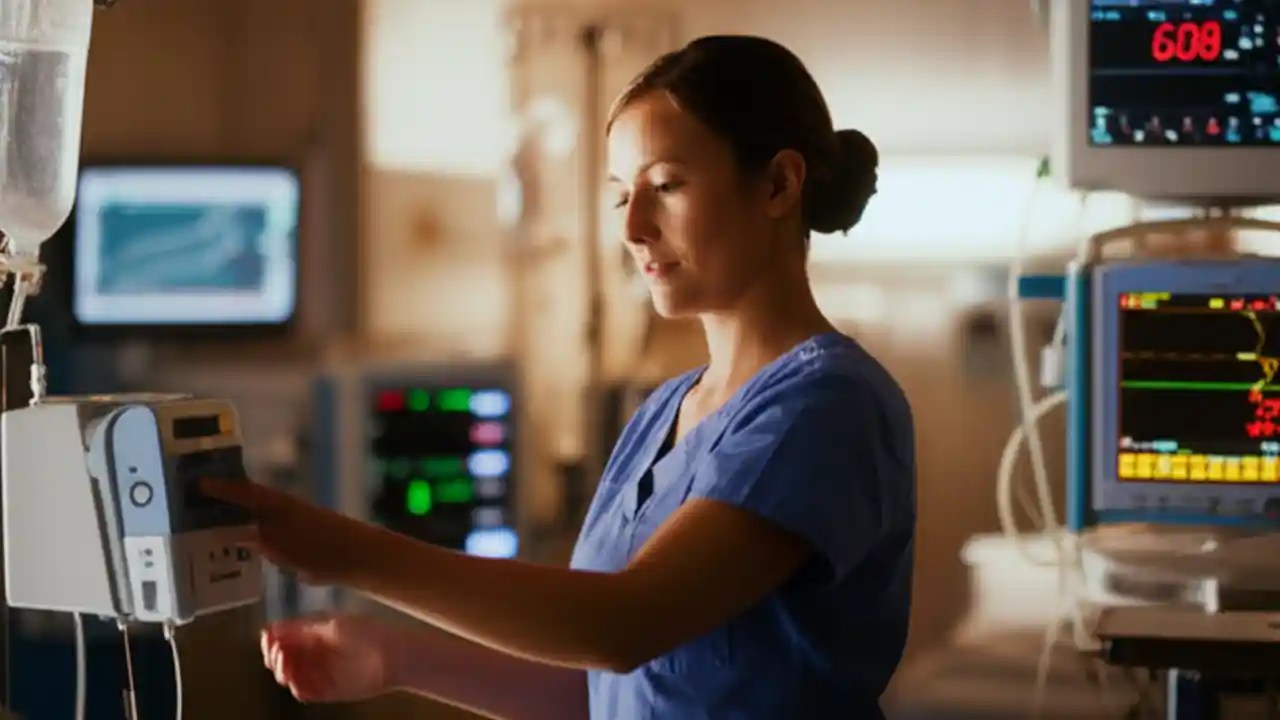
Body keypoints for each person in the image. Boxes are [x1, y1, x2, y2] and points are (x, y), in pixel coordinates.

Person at [203, 34, 916, 720]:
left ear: (778, 184)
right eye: (619, 194)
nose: (633, 226)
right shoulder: (662, 414)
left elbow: (621, 625)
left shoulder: (827, 405)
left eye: (667, 185)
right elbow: (601, 693)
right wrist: (397, 658)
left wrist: (344, 550)